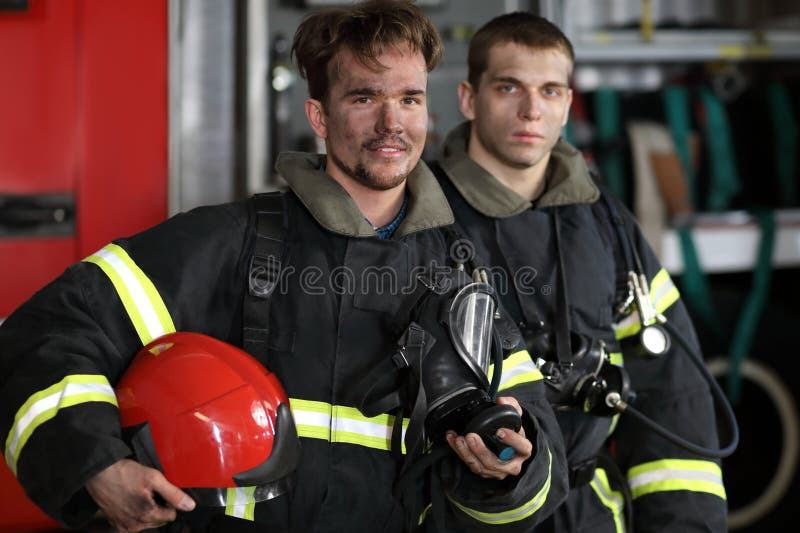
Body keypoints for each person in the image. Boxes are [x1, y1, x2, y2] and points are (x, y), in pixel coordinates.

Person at [0, 2, 569, 532]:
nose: (392, 122)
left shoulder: (461, 275)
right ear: (319, 117)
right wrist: (98, 467)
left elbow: (538, 473)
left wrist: (509, 470)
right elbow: (44, 334)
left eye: (410, 99)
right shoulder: (233, 243)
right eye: (365, 97)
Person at [432, 12, 728, 532]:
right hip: (465, 512)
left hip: (590, 514)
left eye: (550, 91)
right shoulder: (421, 218)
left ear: (568, 104)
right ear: (467, 98)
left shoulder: (606, 223)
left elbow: (673, 396)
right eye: (508, 87)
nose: (531, 110)